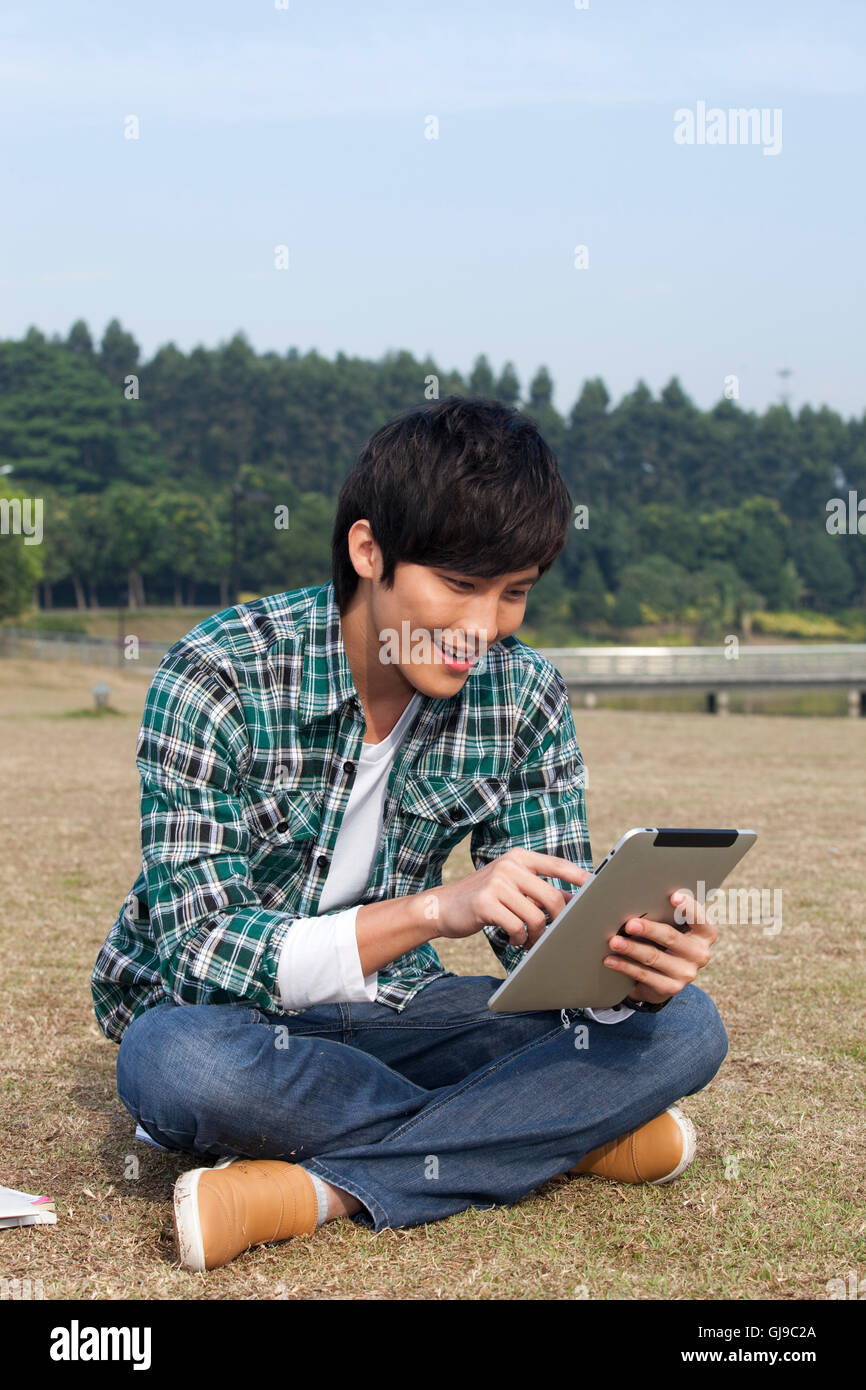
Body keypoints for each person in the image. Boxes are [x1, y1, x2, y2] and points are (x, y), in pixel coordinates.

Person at [91, 395, 727, 1273]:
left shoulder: (522, 692)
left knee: (686, 1028)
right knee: (171, 1064)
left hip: (400, 1012)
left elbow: (544, 944)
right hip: (230, 1023)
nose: (482, 629)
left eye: (514, 595)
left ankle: (322, 1189)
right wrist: (437, 910)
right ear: (368, 551)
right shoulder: (217, 673)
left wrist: (629, 966)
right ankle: (563, 1137)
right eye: (460, 586)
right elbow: (200, 952)